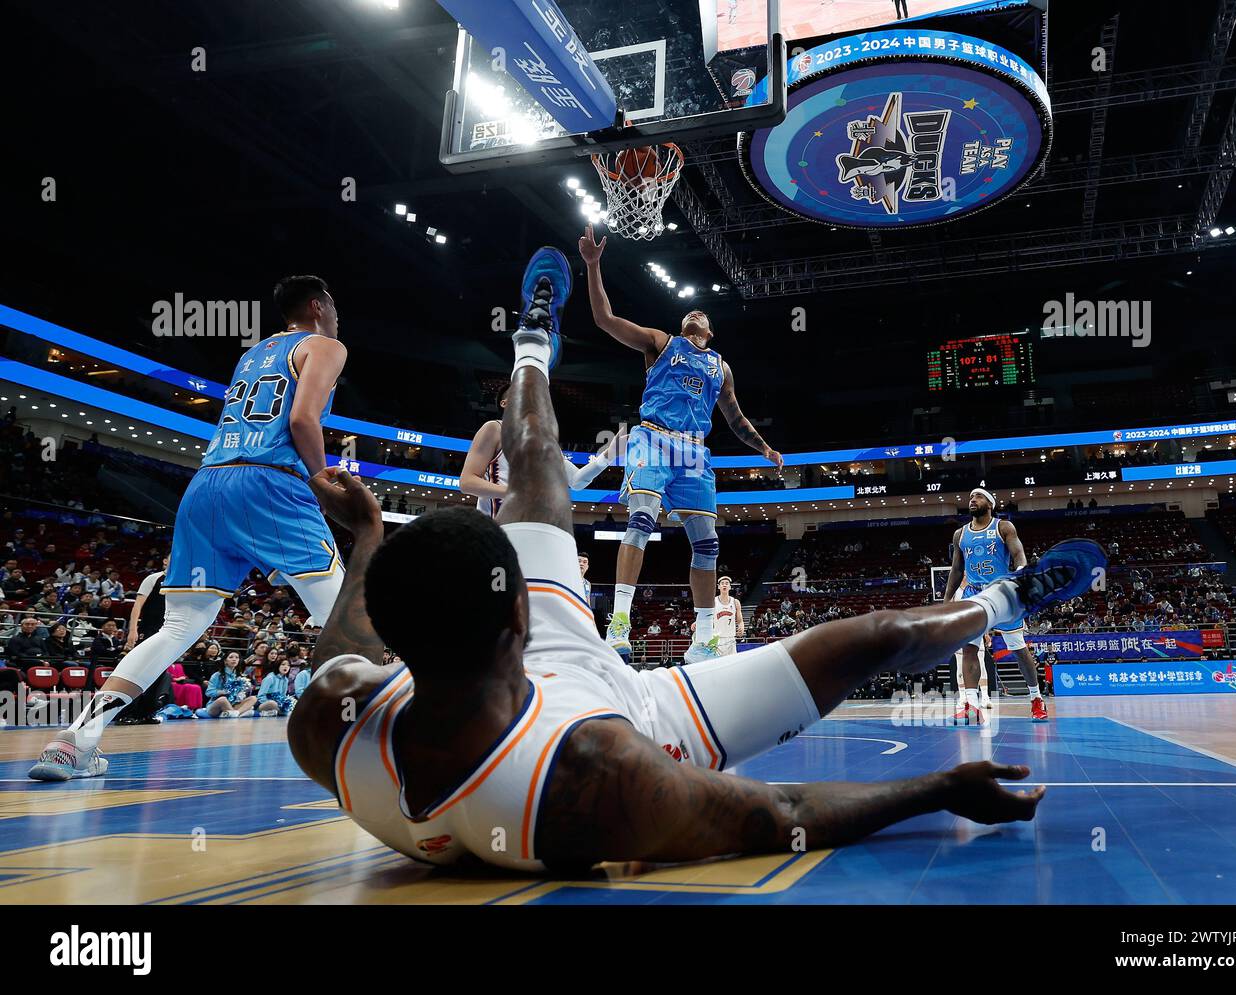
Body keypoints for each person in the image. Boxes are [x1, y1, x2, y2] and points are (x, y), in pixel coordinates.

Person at [287, 246, 1101, 874]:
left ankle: (534, 336)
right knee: (879, 636)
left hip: (541, 663)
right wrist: (932, 788)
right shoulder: (591, 774)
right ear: (519, 612)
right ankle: (1007, 600)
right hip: (641, 713)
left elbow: (338, 647)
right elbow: (782, 808)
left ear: (392, 653)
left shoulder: (334, 714)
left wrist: (365, 540)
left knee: (538, 460)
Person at [30, 275, 349, 780]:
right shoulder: (325, 345)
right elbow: (303, 421)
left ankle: (76, 740)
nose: (337, 313)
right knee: (341, 616)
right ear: (316, 306)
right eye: (332, 304)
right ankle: (365, 745)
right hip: (268, 481)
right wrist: (322, 481)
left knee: (178, 627)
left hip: (205, 486)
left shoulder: (253, 355)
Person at [579, 224, 782, 665]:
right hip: (653, 439)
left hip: (694, 451)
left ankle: (703, 637)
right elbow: (604, 320)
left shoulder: (721, 369)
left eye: (703, 314)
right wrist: (594, 267)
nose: (695, 313)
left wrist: (764, 449)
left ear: (710, 330)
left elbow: (735, 418)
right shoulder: (661, 343)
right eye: (689, 313)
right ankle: (618, 624)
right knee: (641, 521)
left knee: (707, 543)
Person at [942, 488, 1056, 725]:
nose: (972, 500)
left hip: (1002, 594)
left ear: (990, 504)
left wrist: (1021, 579)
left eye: (979, 497)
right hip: (975, 596)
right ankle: (971, 705)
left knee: (1018, 649)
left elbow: (1019, 555)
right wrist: (946, 601)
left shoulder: (1003, 527)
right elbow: (956, 570)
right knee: (970, 649)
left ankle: (1036, 699)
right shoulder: (960, 534)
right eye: (970, 496)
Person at [458, 384, 627, 518]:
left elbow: (577, 481)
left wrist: (608, 456)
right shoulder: (495, 429)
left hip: (536, 526)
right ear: (505, 402)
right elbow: (467, 482)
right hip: (499, 527)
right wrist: (514, 492)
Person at [714, 575, 744, 656]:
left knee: (731, 665)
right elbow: (706, 616)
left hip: (731, 639)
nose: (724, 585)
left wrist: (741, 627)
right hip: (716, 639)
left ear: (730, 587)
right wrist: (697, 622)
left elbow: (740, 621)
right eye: (722, 583)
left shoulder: (735, 602)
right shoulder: (713, 602)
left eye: (727, 583)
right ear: (718, 587)